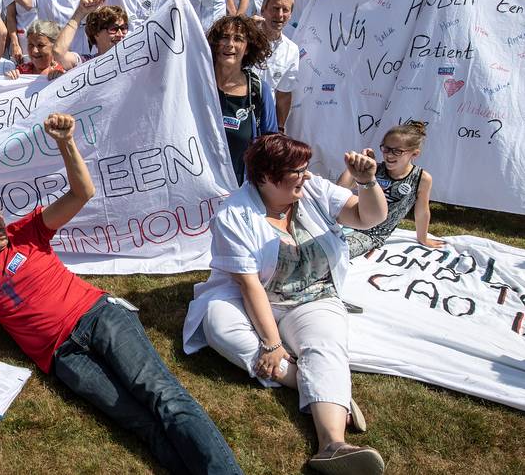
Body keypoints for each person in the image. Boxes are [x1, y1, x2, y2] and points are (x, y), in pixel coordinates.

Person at [0, 113, 243, 474]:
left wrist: (65, 142)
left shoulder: (27, 232)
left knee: (163, 396)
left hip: (98, 316)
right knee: (139, 422)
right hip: (62, 355)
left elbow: (82, 192)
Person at [183, 134, 389, 474]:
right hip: (255, 295)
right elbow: (249, 287)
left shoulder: (314, 190)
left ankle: (333, 446)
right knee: (218, 325)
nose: (305, 176)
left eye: (305, 168)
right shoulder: (233, 215)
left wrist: (367, 183)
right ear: (265, 177)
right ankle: (317, 385)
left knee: (326, 344)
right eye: (296, 170)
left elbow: (369, 218)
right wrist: (272, 344)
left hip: (313, 296)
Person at [337, 121, 443, 256]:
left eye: (397, 151)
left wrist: (423, 238)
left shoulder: (421, 178)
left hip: (373, 233)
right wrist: (359, 164)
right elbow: (341, 187)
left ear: (414, 154)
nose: (389, 155)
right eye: (386, 149)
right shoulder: (375, 168)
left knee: (335, 252)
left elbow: (422, 212)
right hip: (350, 220)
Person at [208, 16, 276, 185]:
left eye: (238, 39)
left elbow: (270, 146)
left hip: (237, 193)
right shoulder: (197, 81)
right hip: (196, 194)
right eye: (224, 37)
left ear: (247, 48)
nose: (229, 44)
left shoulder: (259, 90)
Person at [255, 0, 298, 129]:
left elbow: (283, 94)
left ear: (290, 14)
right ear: (263, 10)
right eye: (275, 8)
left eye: (285, 10)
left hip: (266, 120)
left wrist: (279, 128)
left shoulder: (291, 50)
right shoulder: (245, 38)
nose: (279, 15)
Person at [52, 0, 126, 63]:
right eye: (113, 29)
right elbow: (58, 52)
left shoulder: (134, 57)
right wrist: (80, 12)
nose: (120, 34)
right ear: (96, 33)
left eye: (123, 28)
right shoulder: (85, 62)